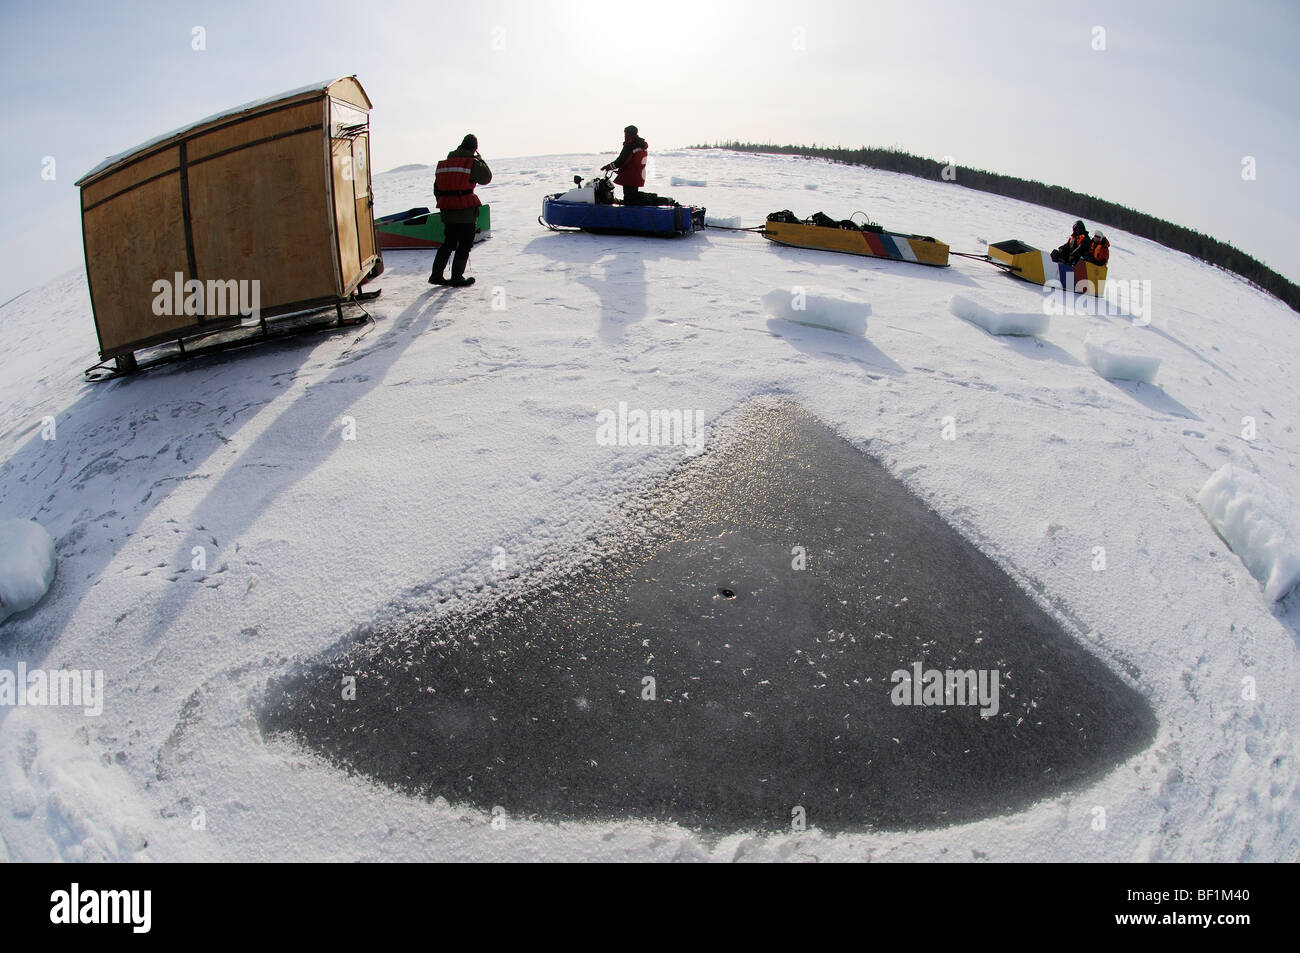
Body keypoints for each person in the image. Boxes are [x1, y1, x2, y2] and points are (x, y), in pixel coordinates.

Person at [430, 134, 492, 287]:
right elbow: (486, 178)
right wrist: (481, 160)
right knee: (465, 244)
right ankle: (457, 277)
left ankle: (436, 275)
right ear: (474, 149)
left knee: (448, 243)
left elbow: (436, 189)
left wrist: (445, 203)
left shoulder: (445, 164)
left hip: (448, 209)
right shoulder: (471, 163)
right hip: (465, 211)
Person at [601, 125, 648, 205]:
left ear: (628, 134)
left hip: (630, 176)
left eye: (625, 134)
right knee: (633, 197)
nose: (624, 136)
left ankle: (628, 214)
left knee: (629, 198)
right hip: (638, 175)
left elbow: (621, 161)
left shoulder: (630, 145)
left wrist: (608, 167)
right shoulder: (641, 144)